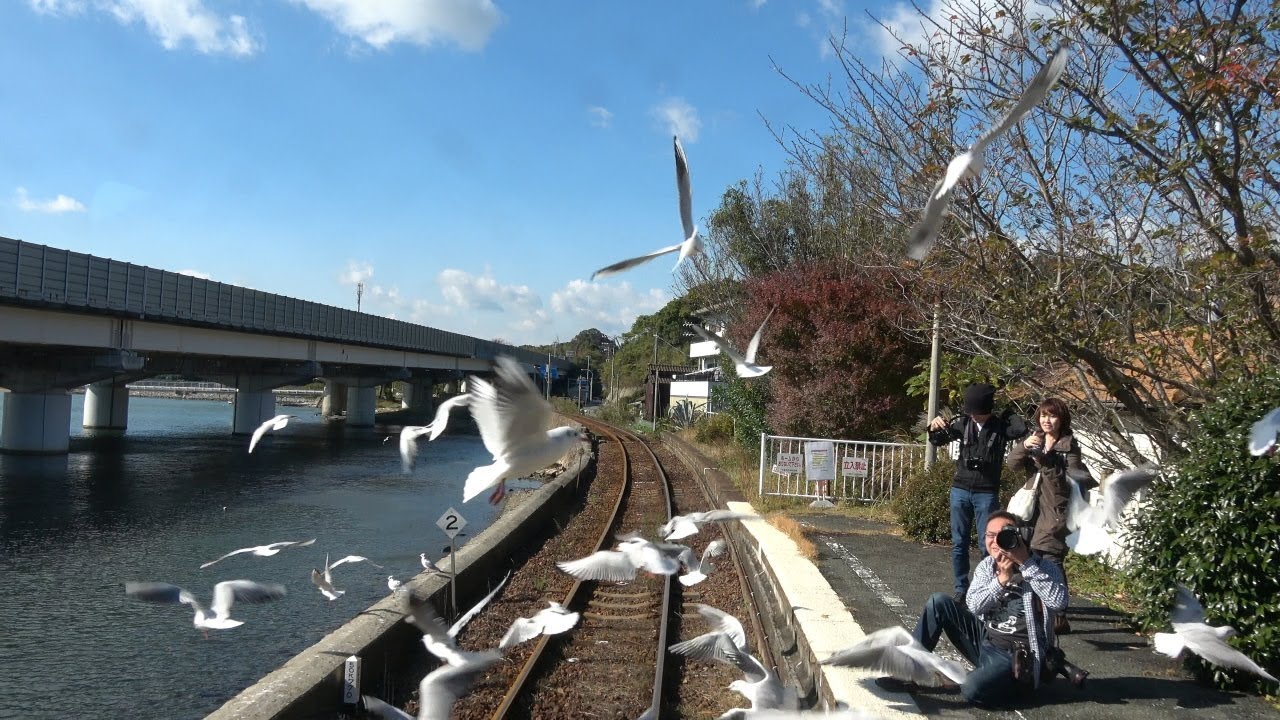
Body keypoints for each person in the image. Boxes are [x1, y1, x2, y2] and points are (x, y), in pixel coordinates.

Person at [892, 511, 1085, 706]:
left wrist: (1025, 564)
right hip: (987, 640)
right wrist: (1001, 580)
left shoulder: (1044, 567)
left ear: (1020, 536)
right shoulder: (987, 566)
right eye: (989, 535)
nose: (995, 541)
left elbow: (1059, 602)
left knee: (971, 690)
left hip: (1018, 655)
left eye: (1002, 534)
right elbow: (974, 606)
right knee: (938, 602)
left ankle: (1016, 684)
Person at [1006, 398, 1098, 634]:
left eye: (1052, 415)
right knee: (1031, 558)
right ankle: (1038, 608)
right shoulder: (1035, 438)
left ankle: (1059, 615)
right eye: (1043, 415)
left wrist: (1046, 462)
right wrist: (1024, 446)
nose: (1047, 420)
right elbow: (1012, 464)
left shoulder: (1070, 447)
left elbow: (1066, 485)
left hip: (1057, 512)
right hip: (1032, 510)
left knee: (1051, 559)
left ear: (1062, 419)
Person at [928, 383, 1027, 602]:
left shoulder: (1000, 427)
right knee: (959, 543)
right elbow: (936, 440)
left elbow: (1020, 430)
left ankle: (990, 586)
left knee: (988, 544)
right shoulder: (963, 424)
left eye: (979, 412)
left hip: (986, 492)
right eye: (971, 412)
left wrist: (1008, 412)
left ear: (988, 409)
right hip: (960, 489)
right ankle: (961, 587)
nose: (974, 417)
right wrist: (934, 427)